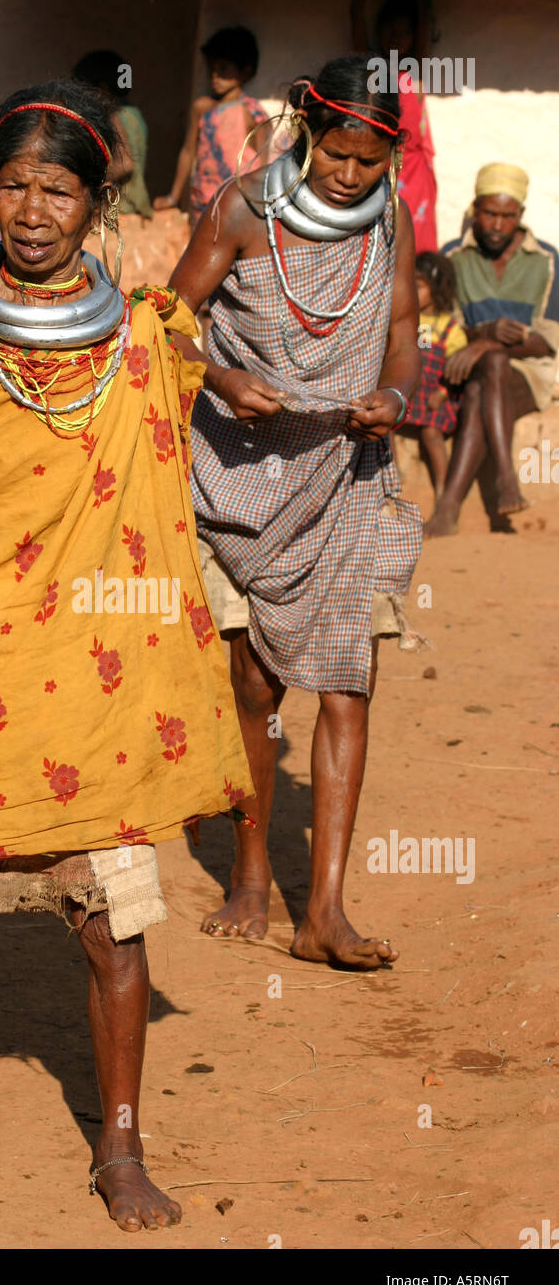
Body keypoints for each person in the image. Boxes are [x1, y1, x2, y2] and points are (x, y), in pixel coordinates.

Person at [0, 79, 253, 1230]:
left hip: (99, 665)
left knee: (112, 917)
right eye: (15, 183)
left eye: (59, 188)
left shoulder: (137, 331)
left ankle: (119, 1153)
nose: (33, 209)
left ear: (96, 203)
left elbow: (207, 376)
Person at [168, 55, 422, 968]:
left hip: (349, 474)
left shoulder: (387, 223)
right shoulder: (241, 208)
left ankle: (324, 912)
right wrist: (223, 376)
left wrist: (393, 399)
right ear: (309, 132)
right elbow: (166, 316)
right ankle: (246, 873)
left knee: (349, 684)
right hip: (245, 474)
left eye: (369, 162)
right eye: (337, 156)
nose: (350, 176)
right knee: (256, 690)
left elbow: (401, 337)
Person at [426, 163, 559, 536]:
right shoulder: (454, 256)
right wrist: (483, 333)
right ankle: (506, 478)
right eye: (489, 214)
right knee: (484, 376)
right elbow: (443, 329)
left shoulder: (546, 260)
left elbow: (548, 339)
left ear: (520, 216)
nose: (497, 225)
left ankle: (448, 509)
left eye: (507, 216)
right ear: (475, 210)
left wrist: (485, 342)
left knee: (489, 373)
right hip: (465, 371)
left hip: (529, 373)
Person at [351, 0, 438, 253]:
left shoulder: (415, 68)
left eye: (404, 32)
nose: (395, 37)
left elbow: (426, 20)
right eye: (390, 29)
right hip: (379, 161)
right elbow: (356, 15)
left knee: (414, 246)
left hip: (413, 168)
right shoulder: (370, 66)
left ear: (414, 38)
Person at [153, 26, 268, 227]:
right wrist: (173, 197)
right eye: (212, 69)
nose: (215, 76)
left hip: (238, 204)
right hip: (201, 203)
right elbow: (188, 152)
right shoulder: (202, 107)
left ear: (245, 72)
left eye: (223, 69)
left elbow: (264, 161)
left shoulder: (252, 112)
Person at [397, 251, 467, 501]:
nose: (412, 291)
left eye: (419, 286)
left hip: (435, 396)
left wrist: (443, 392)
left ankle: (444, 491)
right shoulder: (403, 319)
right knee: (386, 428)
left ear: (437, 288)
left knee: (431, 434)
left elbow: (456, 366)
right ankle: (392, 478)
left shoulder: (449, 326)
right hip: (408, 393)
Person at [73, 49, 153, 219]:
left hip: (120, 207)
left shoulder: (110, 115)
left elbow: (125, 164)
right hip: (136, 204)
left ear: (102, 88)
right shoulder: (134, 114)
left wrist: (84, 180)